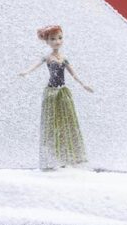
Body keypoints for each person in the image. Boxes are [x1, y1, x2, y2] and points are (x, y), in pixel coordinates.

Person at [20, 24, 93, 169]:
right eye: (53, 39)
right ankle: (52, 159)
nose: (57, 41)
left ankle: (69, 157)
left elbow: (73, 74)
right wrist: (26, 72)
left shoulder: (64, 58)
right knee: (52, 124)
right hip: (52, 93)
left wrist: (83, 84)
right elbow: (35, 65)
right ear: (47, 41)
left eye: (60, 38)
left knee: (67, 122)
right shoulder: (47, 57)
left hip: (63, 92)